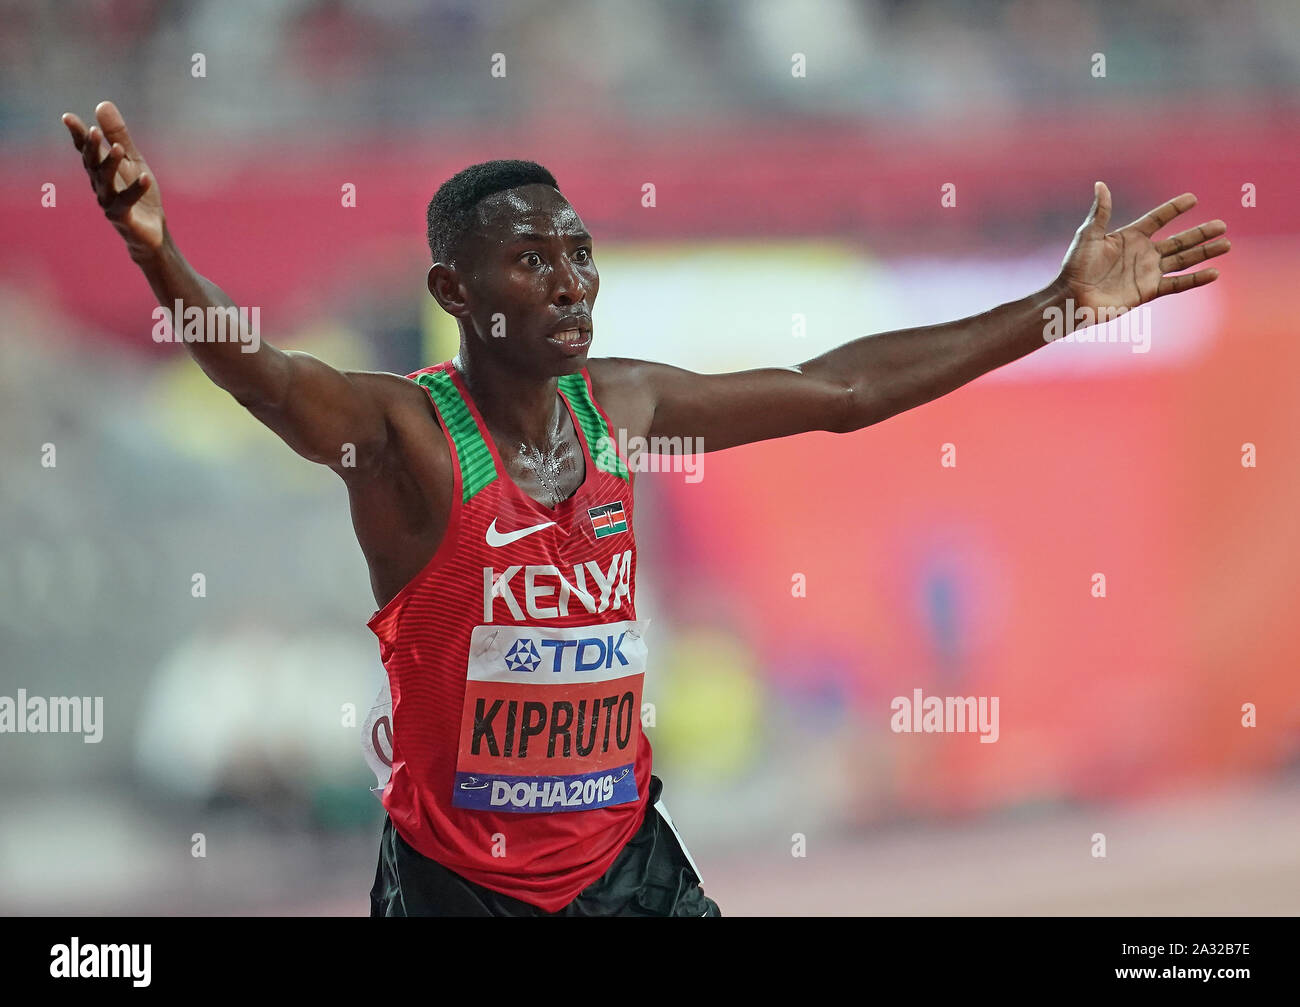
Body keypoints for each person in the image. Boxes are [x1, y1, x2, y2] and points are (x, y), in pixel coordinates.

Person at [62, 100, 1230, 917]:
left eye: (579, 252)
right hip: (456, 887)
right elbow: (268, 380)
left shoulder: (621, 408)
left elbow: (840, 389)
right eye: (532, 261)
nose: (570, 281)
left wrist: (1056, 307)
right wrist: (160, 255)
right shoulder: (406, 438)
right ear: (454, 291)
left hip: (627, 871)